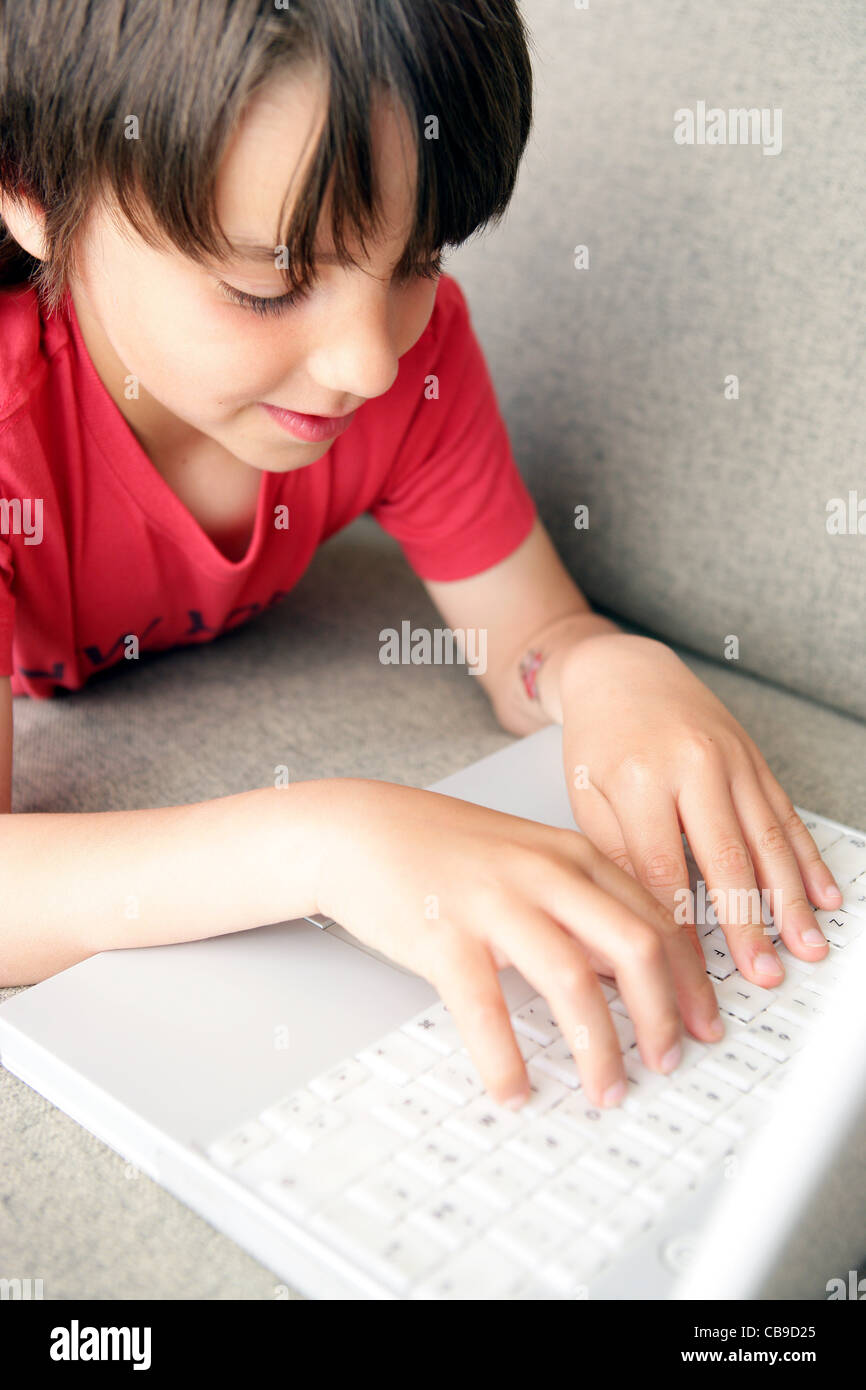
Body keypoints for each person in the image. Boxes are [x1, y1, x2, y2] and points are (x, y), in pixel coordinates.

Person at [0, 0, 841, 1112]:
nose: (366, 362)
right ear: (34, 201)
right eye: (267, 287)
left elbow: (528, 636)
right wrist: (329, 840)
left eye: (417, 260)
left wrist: (602, 668)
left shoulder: (416, 356)